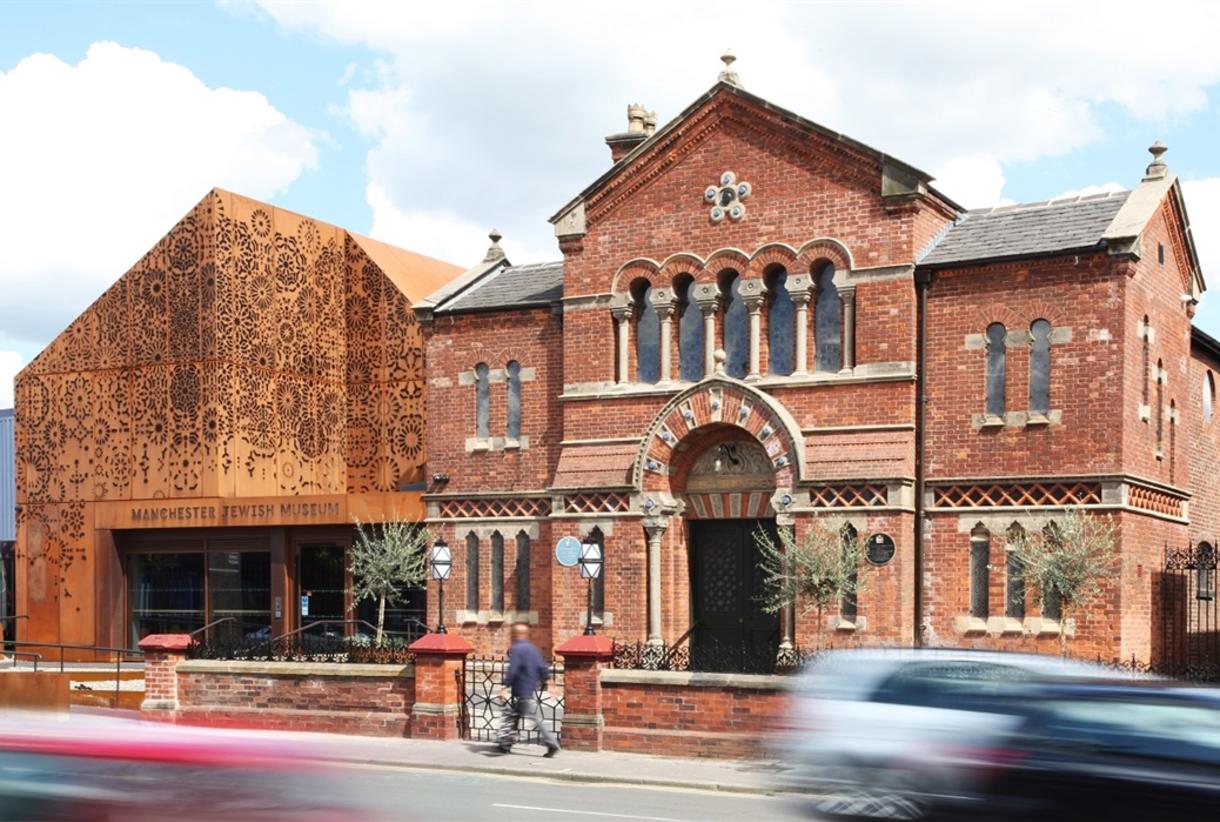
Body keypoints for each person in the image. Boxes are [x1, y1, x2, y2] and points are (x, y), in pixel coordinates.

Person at [497, 623, 560, 757]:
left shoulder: (517, 649)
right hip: (530, 688)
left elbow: (512, 670)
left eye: (512, 634)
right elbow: (542, 667)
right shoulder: (533, 649)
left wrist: (504, 687)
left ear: (515, 634)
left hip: (521, 690)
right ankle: (506, 744)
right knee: (514, 716)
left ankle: (552, 743)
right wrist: (550, 682)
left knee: (536, 719)